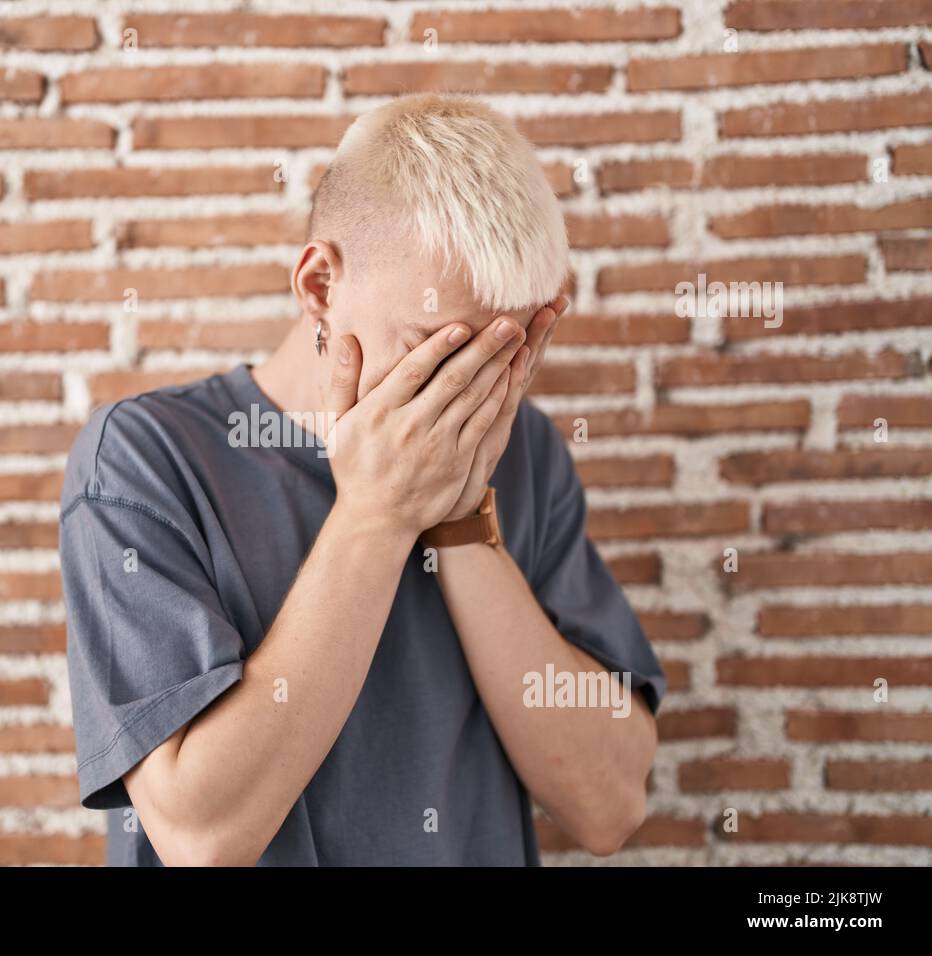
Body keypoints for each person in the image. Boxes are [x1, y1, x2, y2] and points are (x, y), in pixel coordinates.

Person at [58, 93, 666, 866]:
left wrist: (462, 521)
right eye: (437, 351)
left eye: (503, 360)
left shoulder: (525, 448)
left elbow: (609, 804)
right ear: (319, 288)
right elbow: (202, 837)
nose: (471, 400)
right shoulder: (144, 459)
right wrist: (376, 516)